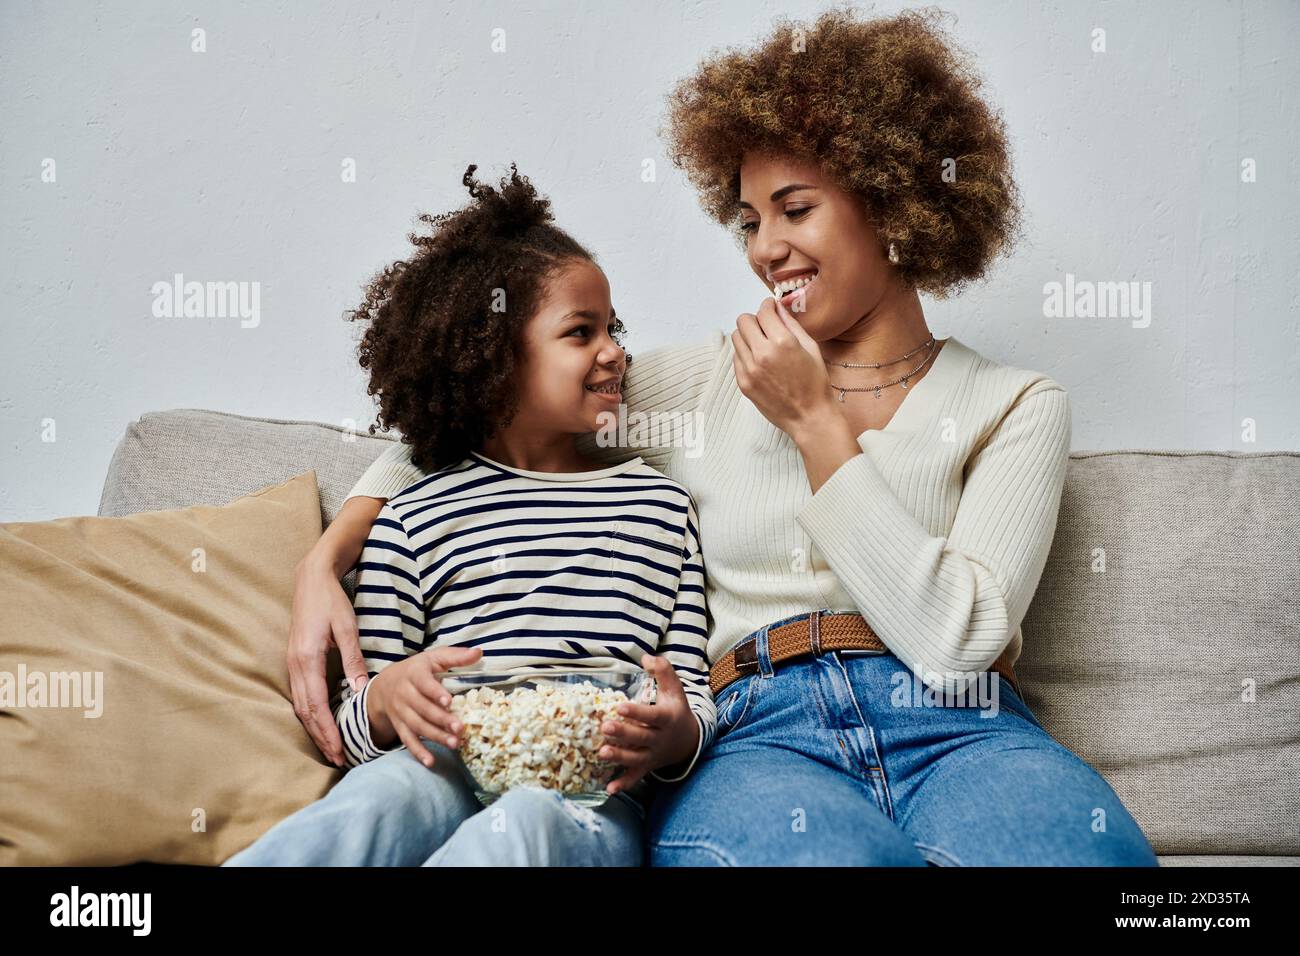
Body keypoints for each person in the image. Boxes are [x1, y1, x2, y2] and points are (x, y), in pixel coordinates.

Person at [290, 9, 1158, 866]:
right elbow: (489, 406)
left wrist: (814, 423)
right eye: (749, 222)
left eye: (795, 210)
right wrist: (325, 559)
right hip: (760, 733)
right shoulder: (710, 380)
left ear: (894, 200)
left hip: (961, 728)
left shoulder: (1016, 405)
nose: (765, 249)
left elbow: (958, 642)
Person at [225, 164, 713, 867]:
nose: (615, 351)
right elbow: (360, 721)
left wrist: (674, 736)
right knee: (374, 803)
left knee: (523, 823)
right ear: (495, 359)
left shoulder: (660, 509)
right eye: (581, 332)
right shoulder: (413, 518)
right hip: (445, 764)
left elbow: (690, 692)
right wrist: (390, 701)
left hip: (591, 800)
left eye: (615, 327)